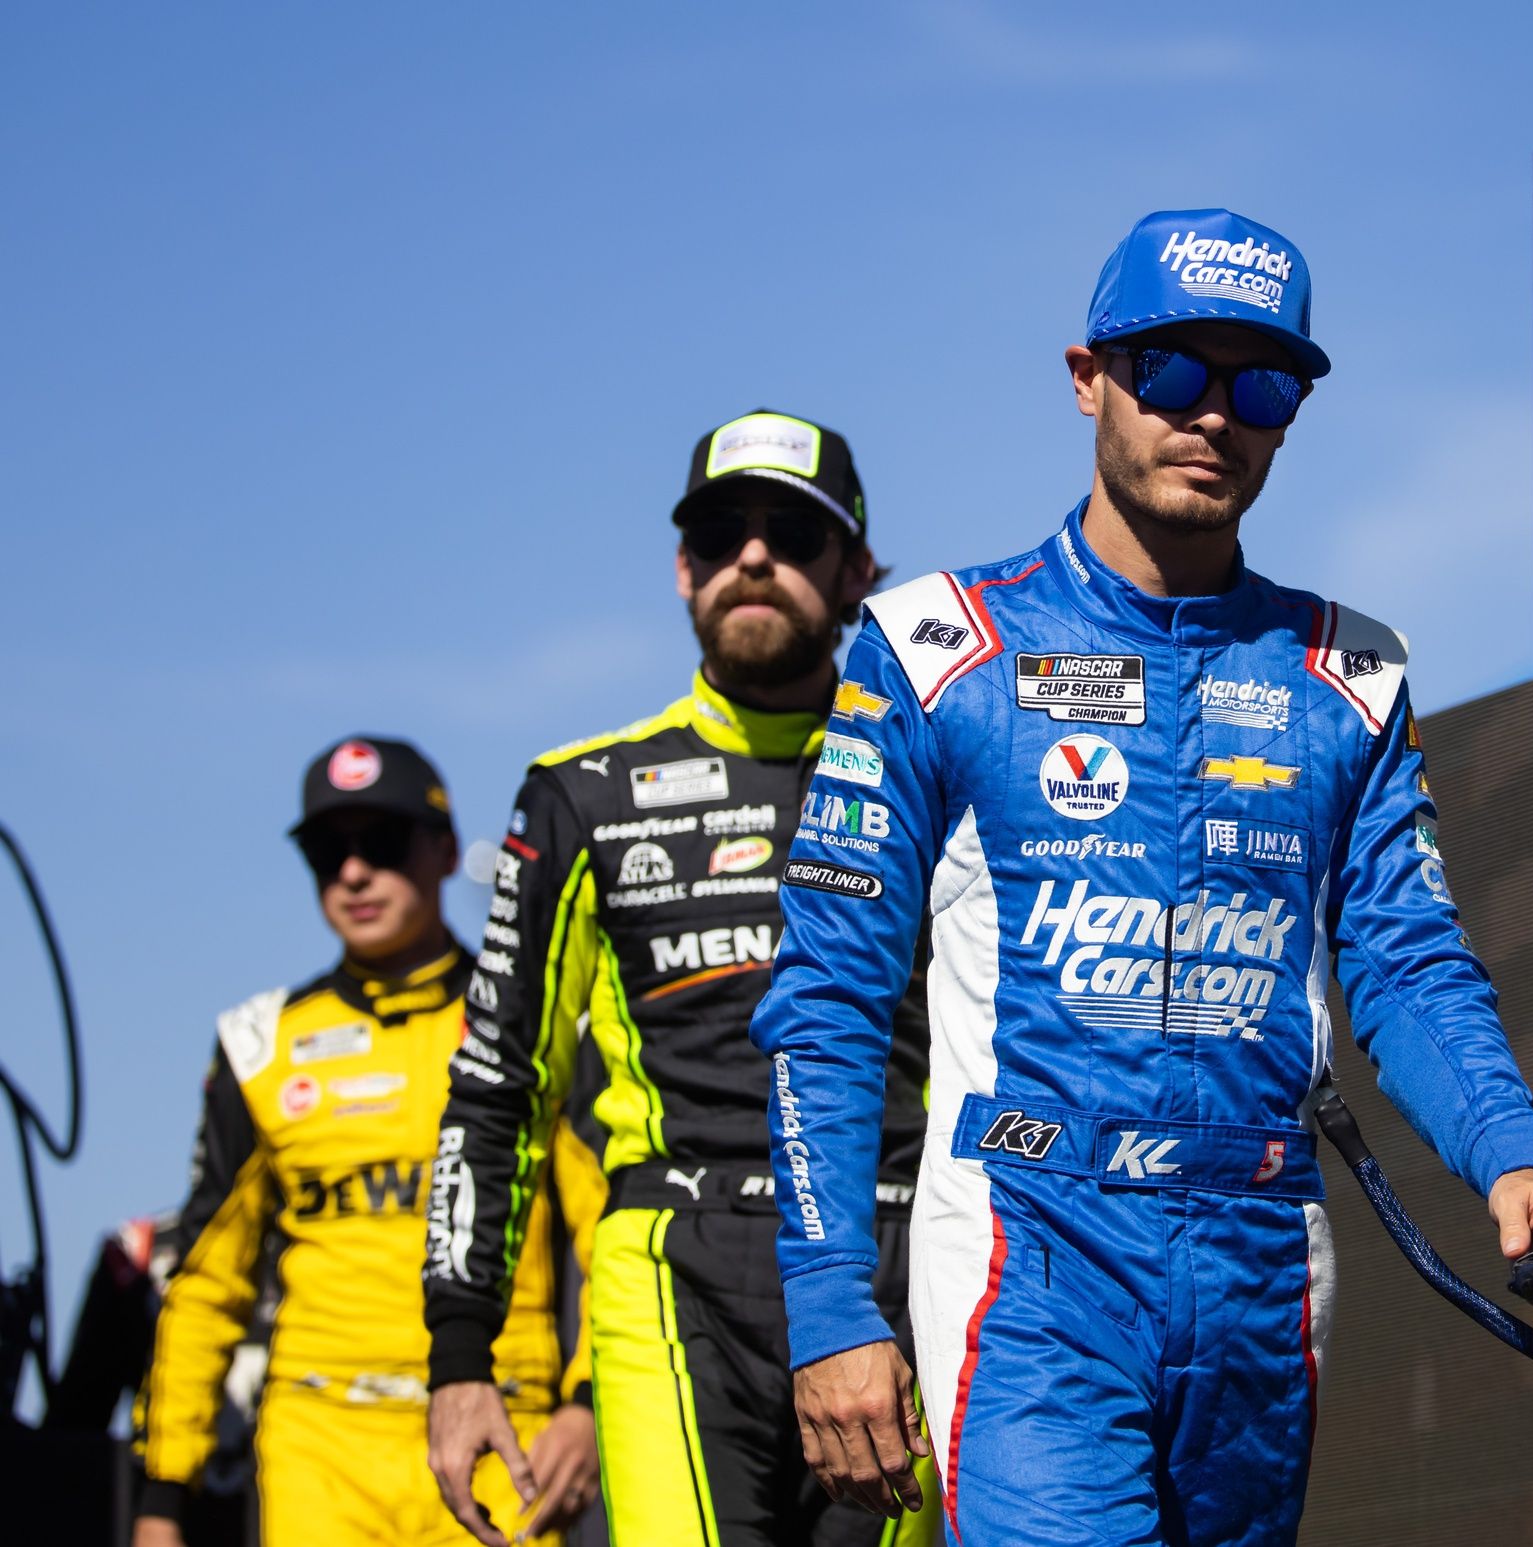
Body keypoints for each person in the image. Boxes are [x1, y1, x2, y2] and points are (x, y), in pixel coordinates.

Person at [749, 208, 1533, 1544]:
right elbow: (827, 993)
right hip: (1029, 1250)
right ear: (1088, 376)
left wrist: (1510, 1152)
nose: (1214, 415)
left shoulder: (1351, 672)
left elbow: (1406, 955)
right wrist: (829, 1302)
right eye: (1172, 373)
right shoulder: (930, 644)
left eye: (1260, 384)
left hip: (1263, 1258)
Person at [422, 411, 939, 1546]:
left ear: (857, 570)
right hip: (672, 1265)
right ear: (681, 568)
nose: (753, 557)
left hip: (896, 1259)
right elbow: (494, 1085)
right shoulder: (580, 794)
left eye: (794, 533)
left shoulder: (935, 778)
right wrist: (461, 1356)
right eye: (719, 532)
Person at [133, 736, 603, 1547]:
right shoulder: (259, 1044)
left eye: (381, 843)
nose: (353, 872)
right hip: (319, 1447)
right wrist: (162, 1498)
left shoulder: (534, 1022)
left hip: (502, 1428)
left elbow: (611, 1229)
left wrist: (589, 1404)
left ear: (448, 850)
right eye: (327, 851)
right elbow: (206, 1283)